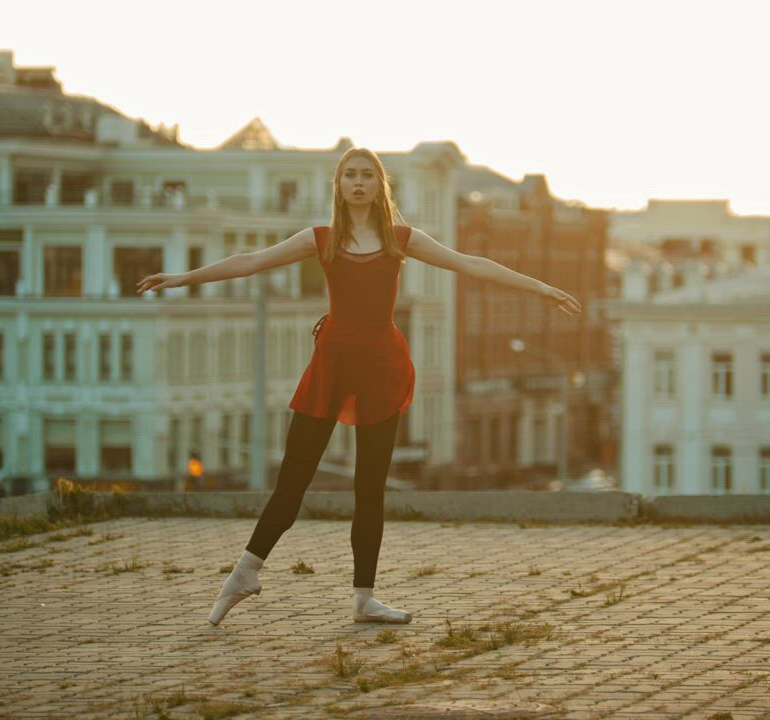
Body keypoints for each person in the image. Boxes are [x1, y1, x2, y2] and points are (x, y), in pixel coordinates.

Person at [135, 147, 582, 626]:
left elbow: (470, 263)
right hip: (332, 363)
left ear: (380, 185)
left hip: (381, 366)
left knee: (370, 489)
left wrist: (541, 288)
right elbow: (252, 261)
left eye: (368, 175)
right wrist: (184, 278)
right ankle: (245, 573)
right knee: (293, 480)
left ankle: (364, 597)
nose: (359, 182)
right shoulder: (320, 237)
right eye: (350, 175)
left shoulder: (401, 239)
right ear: (339, 184)